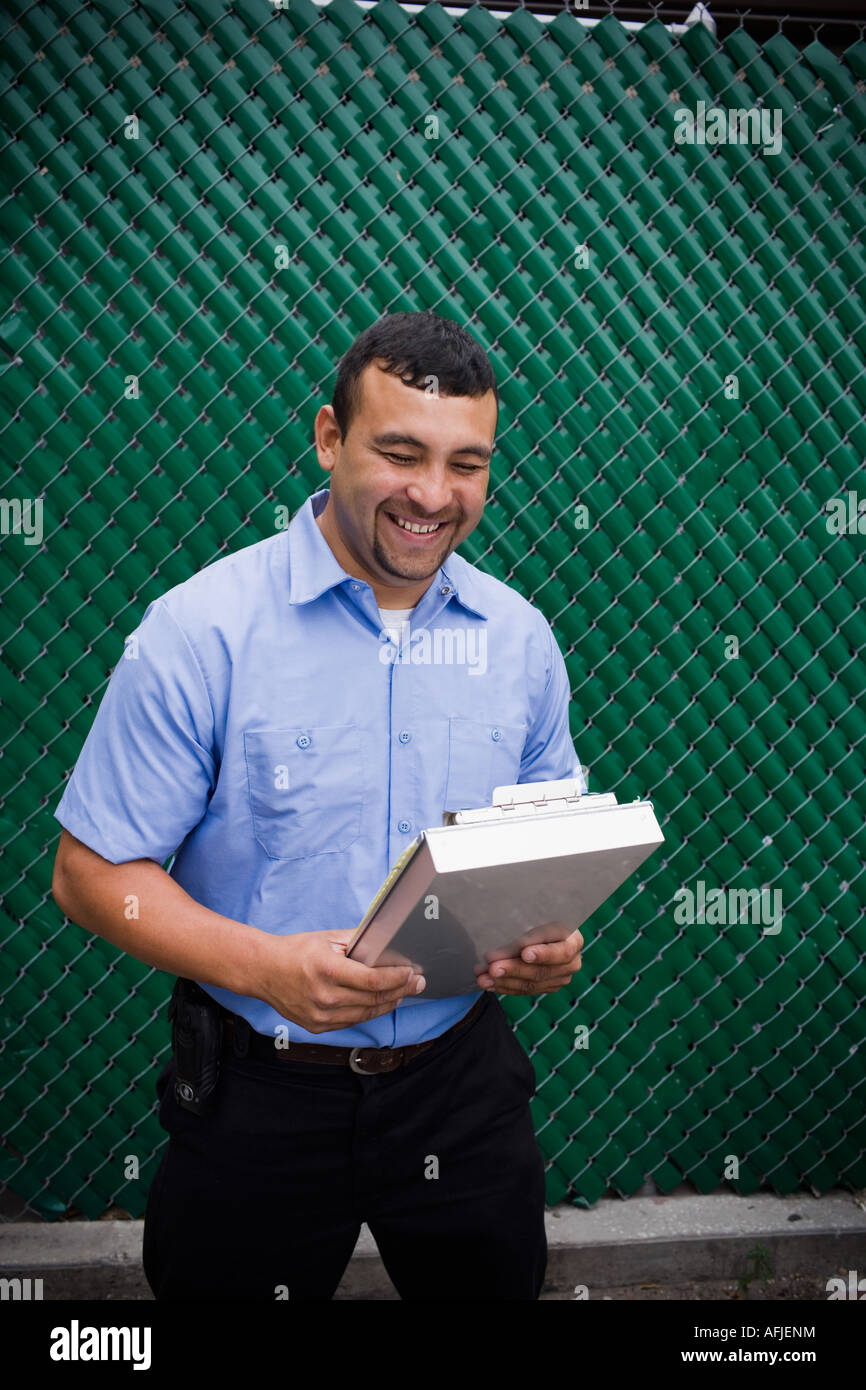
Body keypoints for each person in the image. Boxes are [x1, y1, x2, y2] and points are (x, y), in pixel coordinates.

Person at [51, 310, 587, 1301]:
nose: (432, 494)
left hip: (460, 1089)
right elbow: (89, 877)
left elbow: (544, 848)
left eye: (465, 463)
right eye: (399, 452)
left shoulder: (518, 640)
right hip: (260, 1092)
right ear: (328, 438)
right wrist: (266, 967)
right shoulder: (199, 632)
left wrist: (546, 939)